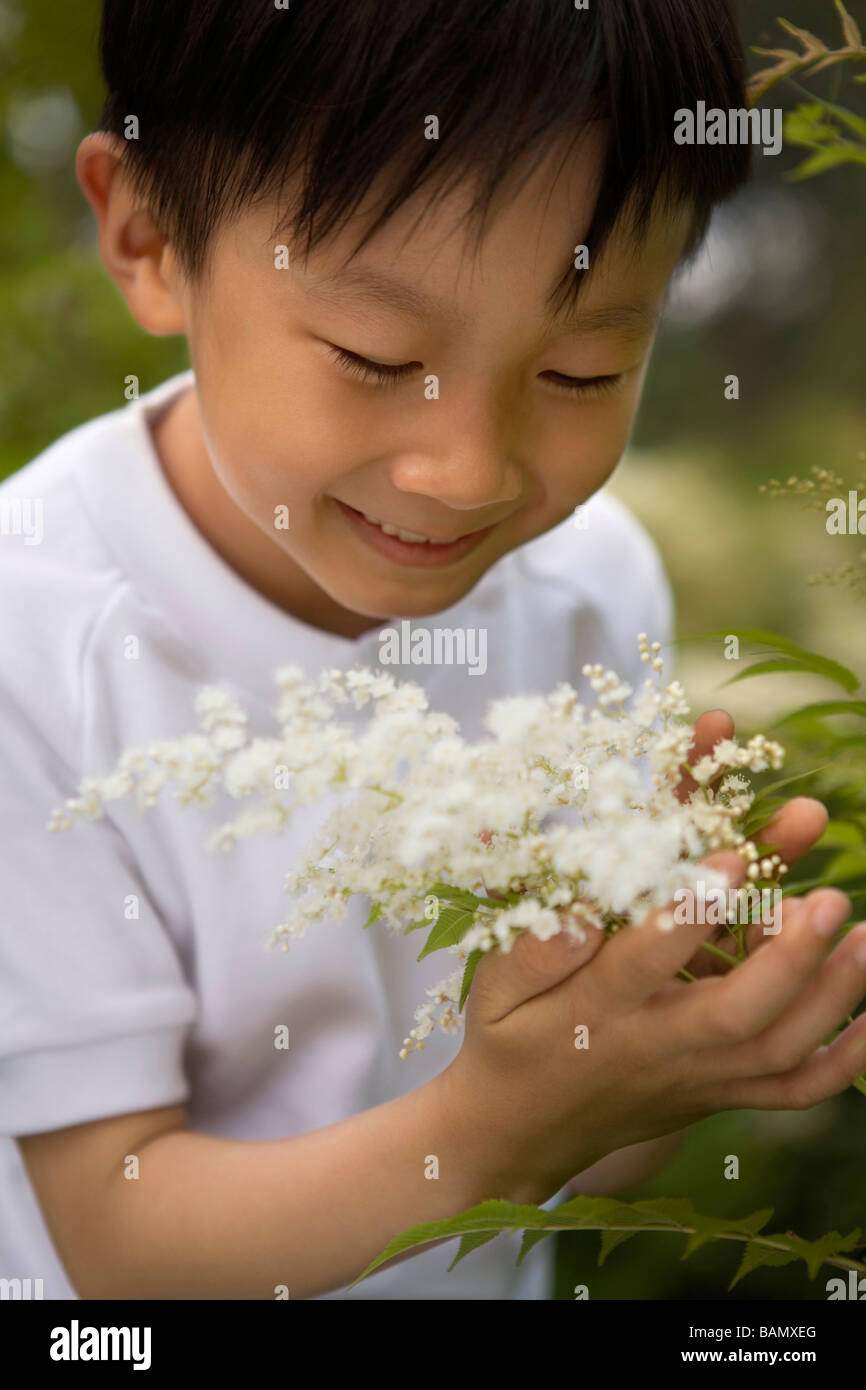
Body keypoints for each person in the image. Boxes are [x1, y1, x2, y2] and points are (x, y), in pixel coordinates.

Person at [2, 0, 864, 1301]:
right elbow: (122, 1242)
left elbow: (603, 1160)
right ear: (148, 233)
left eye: (580, 371)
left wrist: (661, 1028)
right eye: (373, 355)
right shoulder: (35, 639)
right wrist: (496, 1120)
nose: (465, 472)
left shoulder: (584, 582)